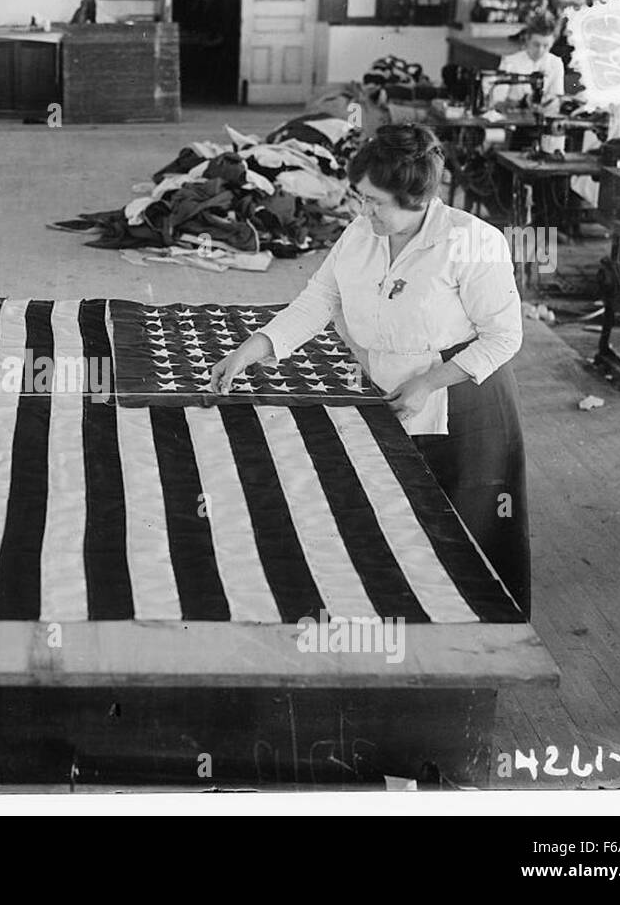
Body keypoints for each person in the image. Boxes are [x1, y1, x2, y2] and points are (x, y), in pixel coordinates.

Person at [210, 124, 532, 615]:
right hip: (388, 393)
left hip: (462, 401)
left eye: (377, 202)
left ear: (418, 197)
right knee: (393, 517)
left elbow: (504, 336)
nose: (365, 212)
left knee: (465, 527)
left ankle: (473, 637)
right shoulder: (363, 231)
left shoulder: (473, 242)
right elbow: (320, 298)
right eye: (361, 198)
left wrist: (428, 383)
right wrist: (253, 349)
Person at [490, 14, 565, 110]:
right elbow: (497, 102)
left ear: (553, 43)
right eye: (536, 44)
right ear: (527, 40)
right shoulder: (509, 62)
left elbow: (556, 99)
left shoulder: (556, 63)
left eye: (546, 46)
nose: (540, 50)